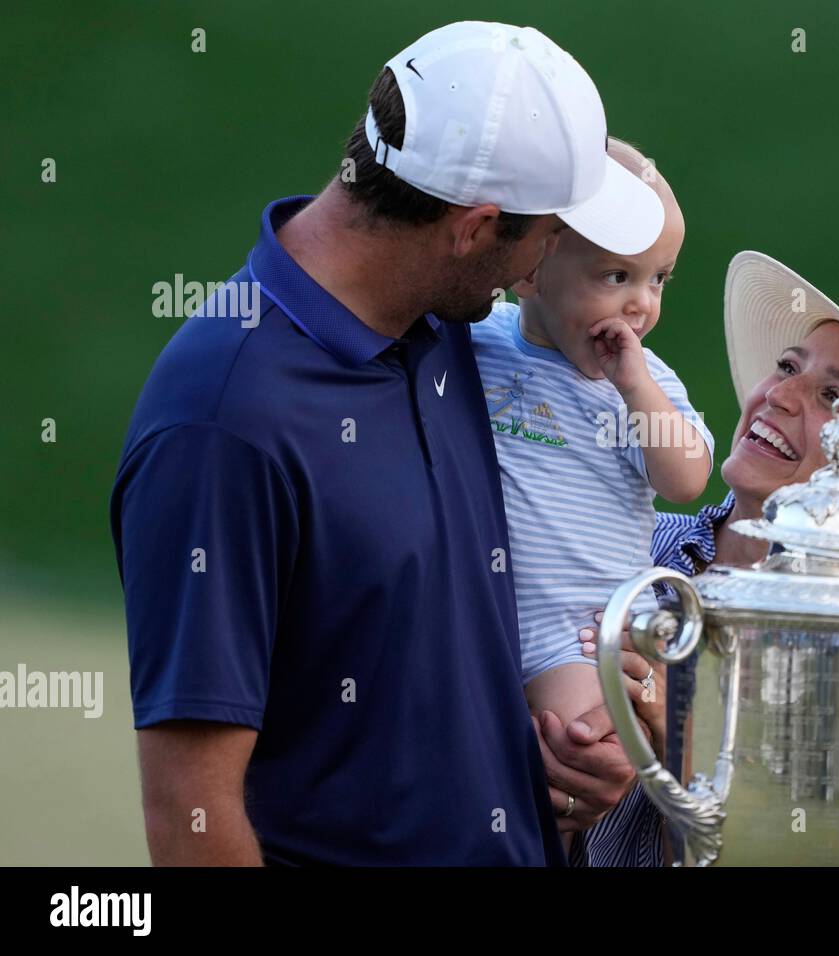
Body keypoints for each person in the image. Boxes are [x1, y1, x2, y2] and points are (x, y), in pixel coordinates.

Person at [109, 21, 663, 866]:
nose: (554, 255)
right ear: (476, 228)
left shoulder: (453, 328)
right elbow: (192, 810)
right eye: (551, 232)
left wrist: (537, 758)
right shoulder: (222, 423)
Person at [577, 250, 839, 865]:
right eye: (788, 366)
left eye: (835, 398)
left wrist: (682, 725)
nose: (779, 395)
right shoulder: (625, 539)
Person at [472, 137, 711, 858]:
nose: (641, 304)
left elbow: (687, 477)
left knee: (578, 751)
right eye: (616, 275)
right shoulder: (477, 338)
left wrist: (633, 385)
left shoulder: (647, 385)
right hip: (469, 609)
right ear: (531, 269)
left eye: (660, 280)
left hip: (574, 632)